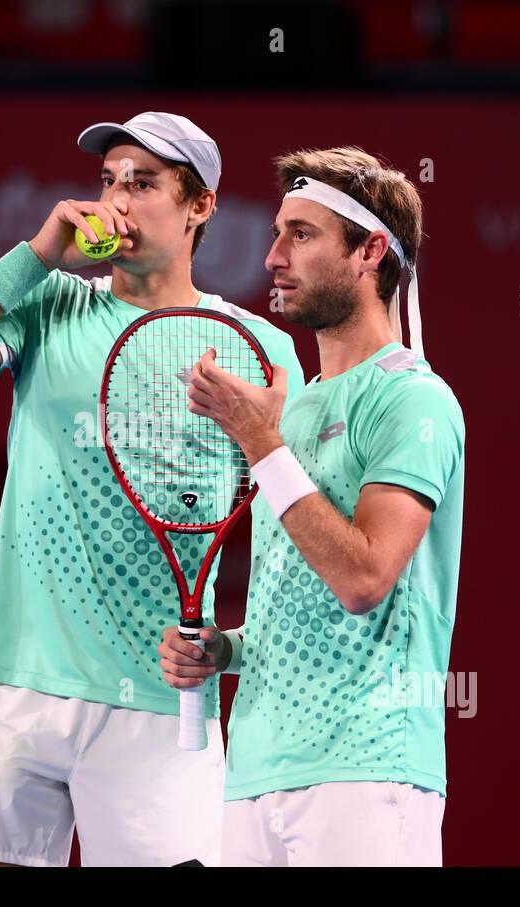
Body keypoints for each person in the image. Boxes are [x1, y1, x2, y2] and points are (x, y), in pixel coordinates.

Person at [0, 112, 305, 866]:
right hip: (22, 689)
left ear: (200, 205)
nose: (117, 200)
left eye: (143, 183)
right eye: (108, 181)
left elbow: (294, 543)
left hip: (159, 709)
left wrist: (234, 650)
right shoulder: (52, 305)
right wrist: (39, 253)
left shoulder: (260, 348)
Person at [159, 146, 465, 866]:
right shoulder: (290, 415)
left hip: (367, 769)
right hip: (256, 774)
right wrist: (225, 650)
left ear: (370, 250)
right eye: (276, 233)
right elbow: (292, 594)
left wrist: (259, 441)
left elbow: (363, 580)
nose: (271, 258)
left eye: (301, 235)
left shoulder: (413, 400)